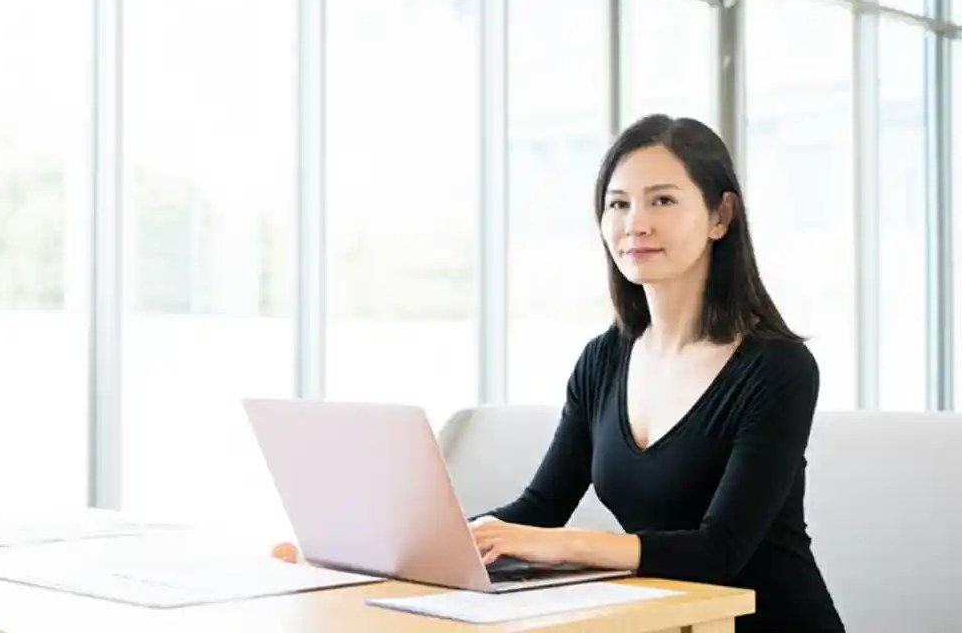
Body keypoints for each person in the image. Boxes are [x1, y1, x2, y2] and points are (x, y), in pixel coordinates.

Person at [273, 115, 844, 632]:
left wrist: (553, 546)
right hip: (668, 626)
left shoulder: (779, 368)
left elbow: (719, 551)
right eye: (617, 204)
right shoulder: (603, 360)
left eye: (662, 201)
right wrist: (380, 547)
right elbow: (537, 510)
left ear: (721, 216)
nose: (635, 223)